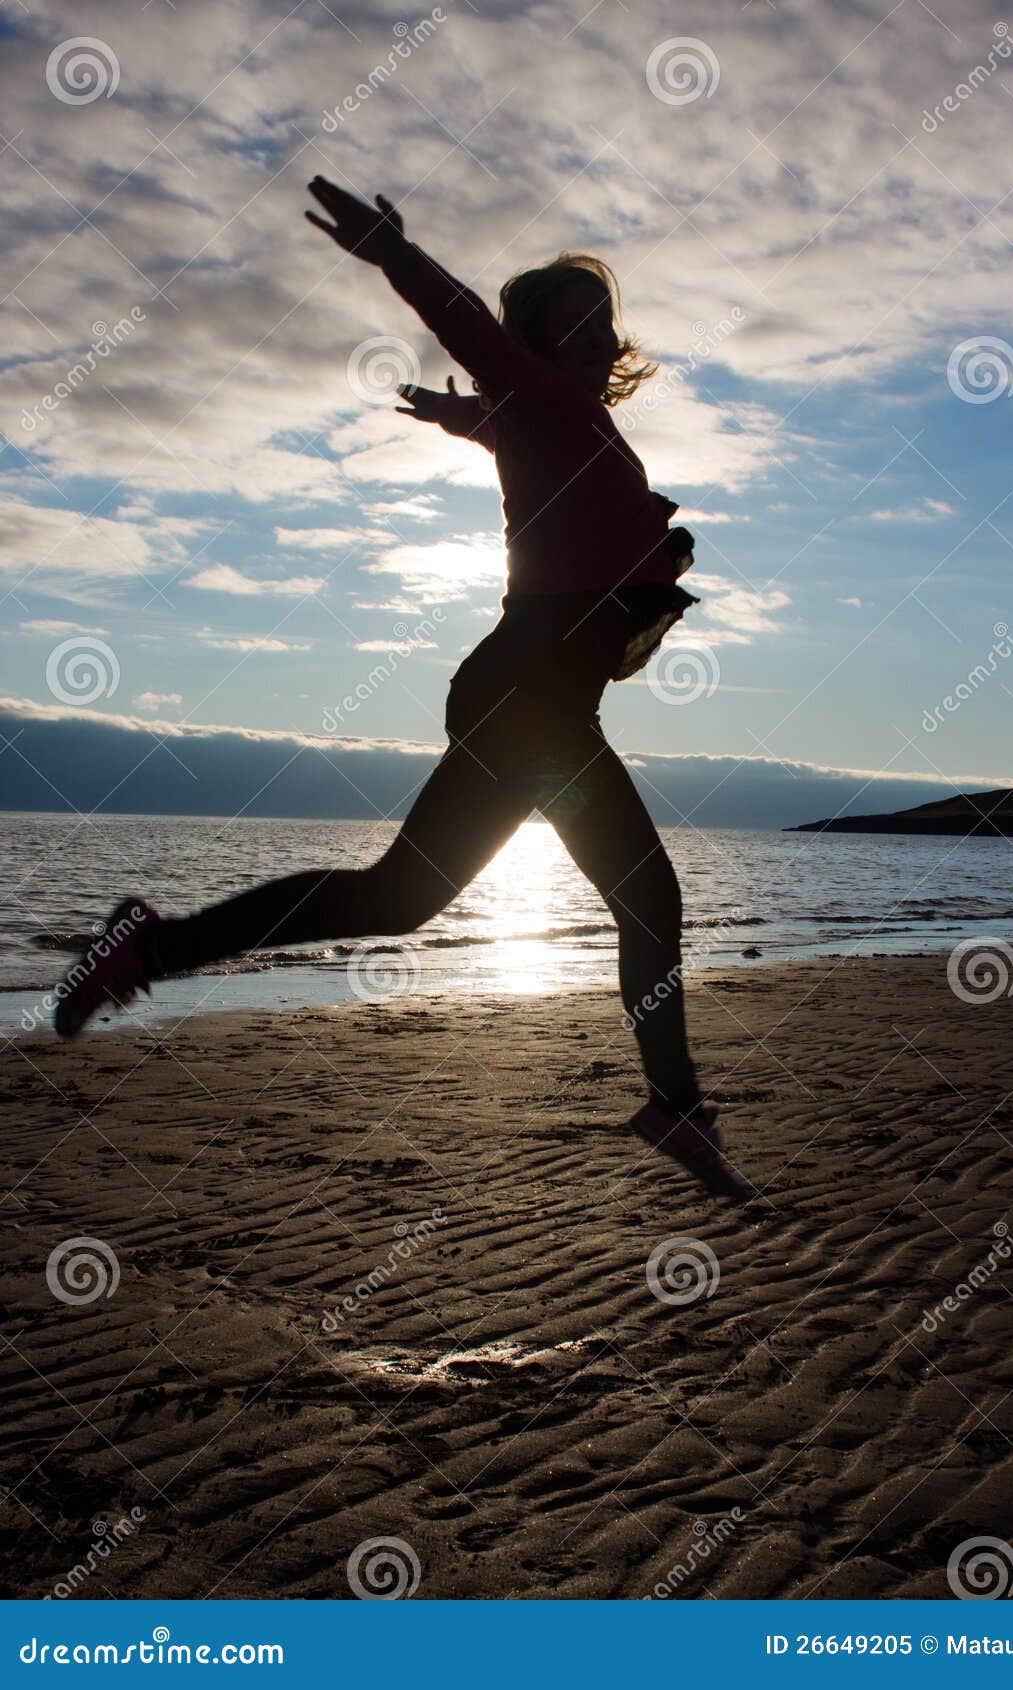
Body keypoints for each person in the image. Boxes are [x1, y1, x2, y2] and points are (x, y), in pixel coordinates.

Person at [52, 178, 751, 1202]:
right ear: (544, 346)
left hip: (532, 702)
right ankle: (674, 1106)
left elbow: (503, 415)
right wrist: (397, 256)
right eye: (578, 327)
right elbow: (479, 339)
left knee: (402, 897)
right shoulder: (547, 403)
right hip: (529, 705)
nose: (603, 339)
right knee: (643, 898)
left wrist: (451, 417)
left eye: (606, 322)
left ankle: (148, 942)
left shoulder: (558, 425)